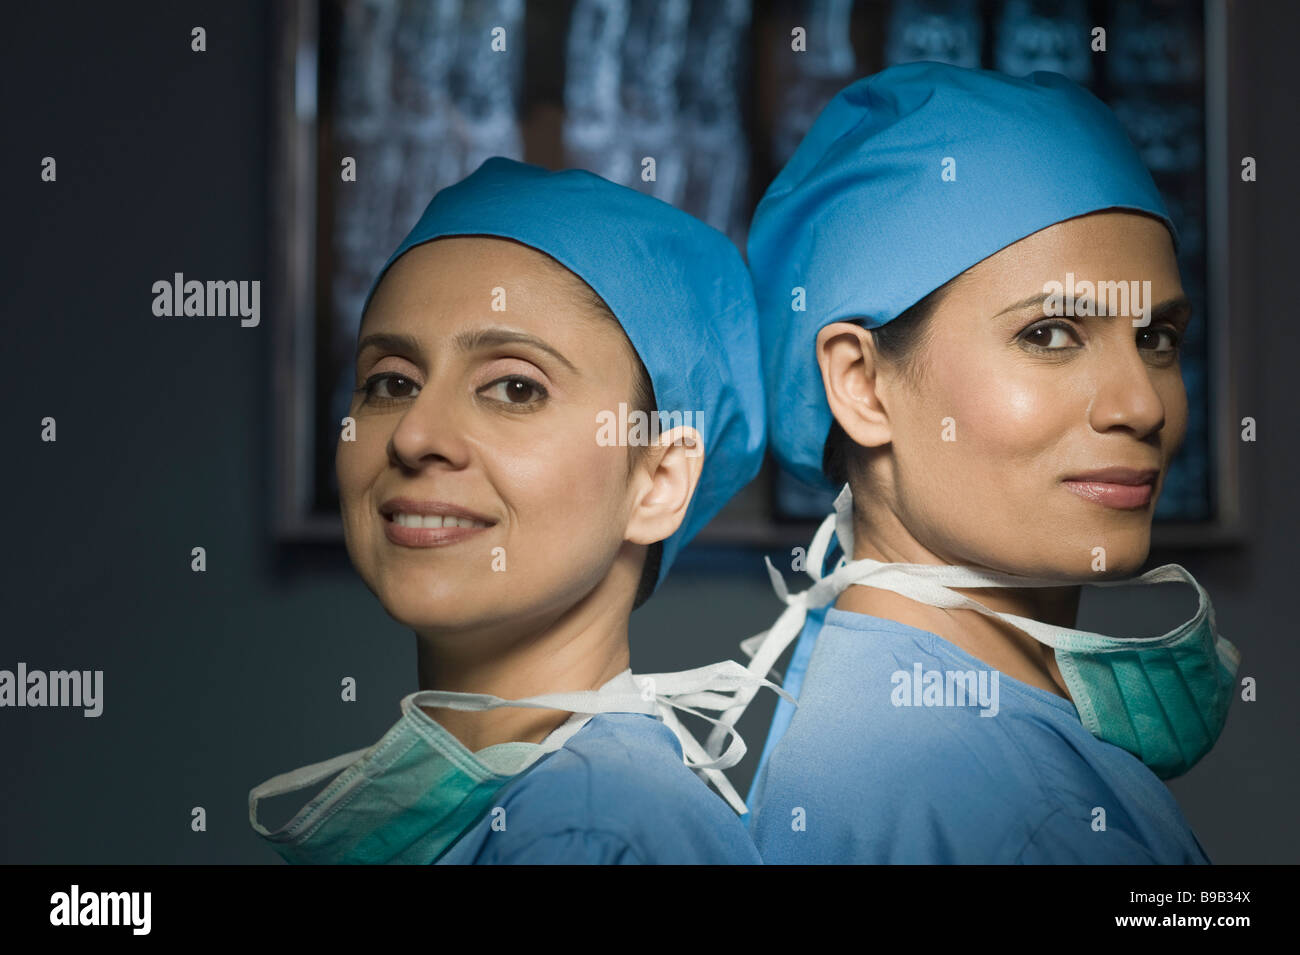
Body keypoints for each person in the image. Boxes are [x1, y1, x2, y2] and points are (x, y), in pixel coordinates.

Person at [711, 62, 1239, 864]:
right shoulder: (988, 805)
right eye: (1051, 334)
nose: (1143, 404)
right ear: (862, 384)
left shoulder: (902, 731)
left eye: (1156, 338)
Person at [249, 157, 780, 864]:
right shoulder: (517, 812)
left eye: (515, 389)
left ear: (656, 481)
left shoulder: (590, 831)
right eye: (390, 382)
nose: (413, 435)